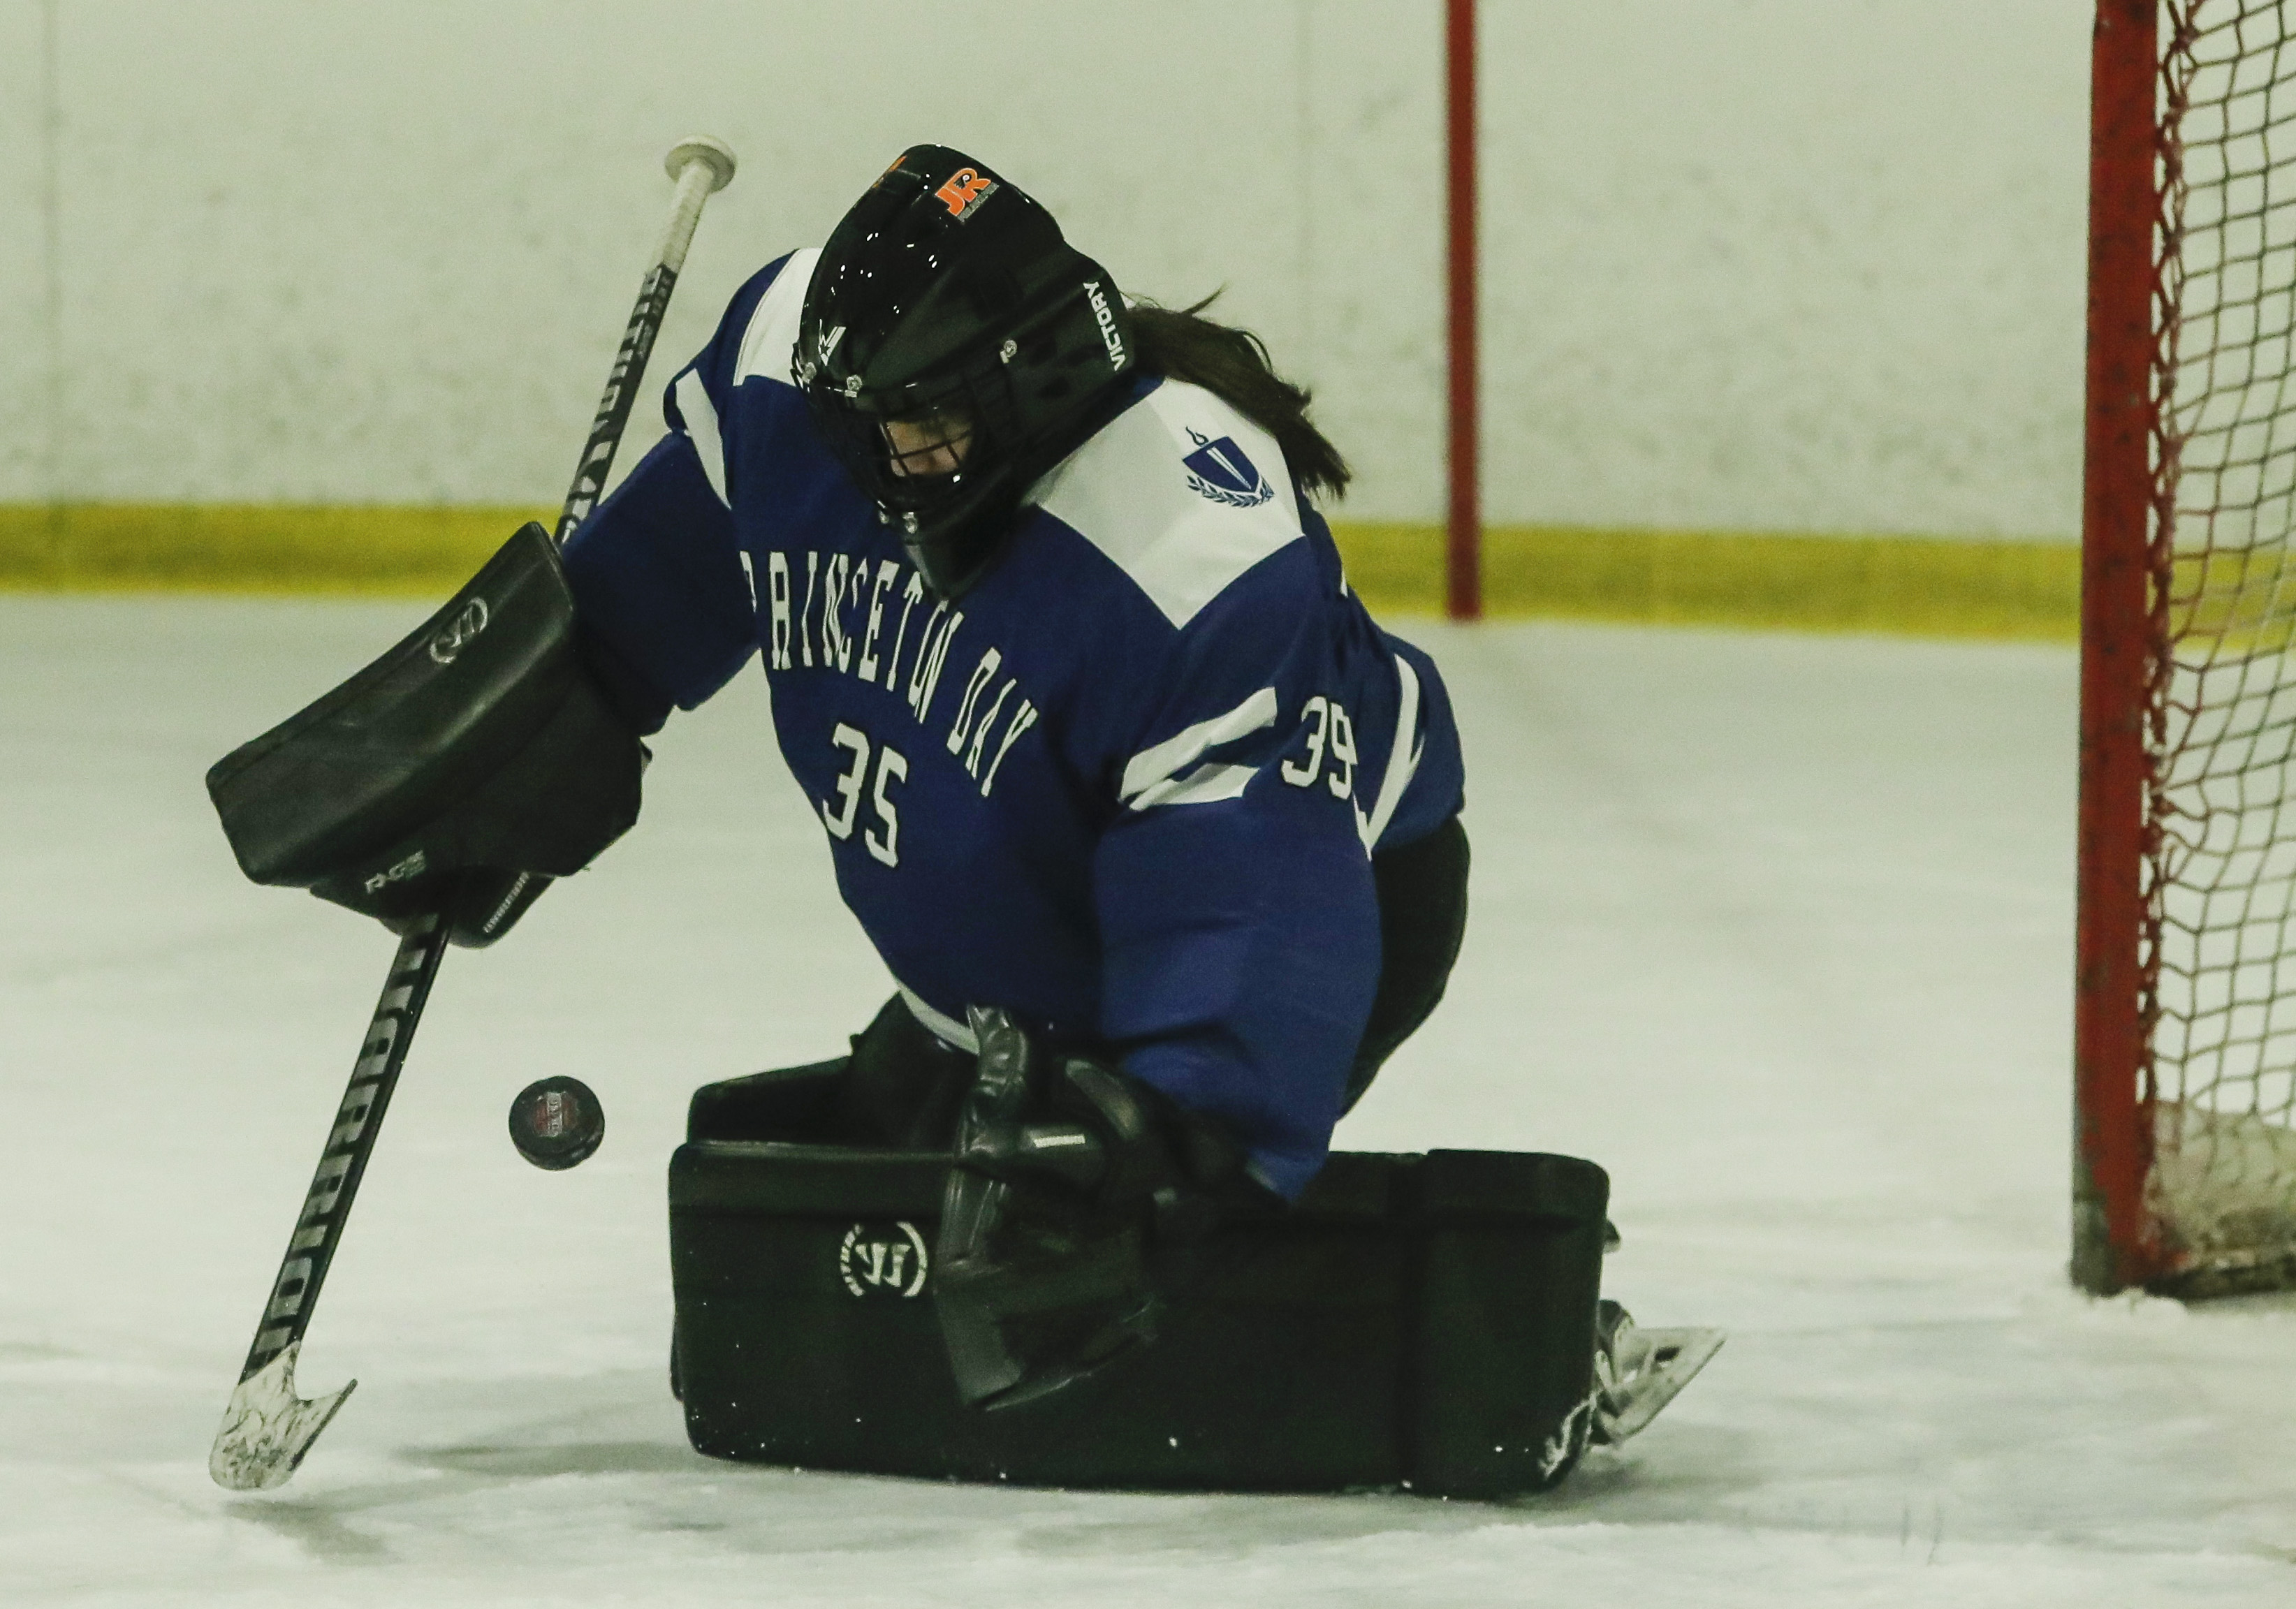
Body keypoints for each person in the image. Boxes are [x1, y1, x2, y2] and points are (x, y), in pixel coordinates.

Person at [561, 145, 1469, 1397]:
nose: (880, 463)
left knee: (1108, 1300)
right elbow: (689, 546)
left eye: (922, 428)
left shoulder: (1190, 553)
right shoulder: (808, 369)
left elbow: (1253, 896)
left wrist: (1168, 1146)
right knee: (883, 1302)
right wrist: (544, 699)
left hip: (1316, 909)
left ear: (1035, 380)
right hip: (1007, 972)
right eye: (862, 427)